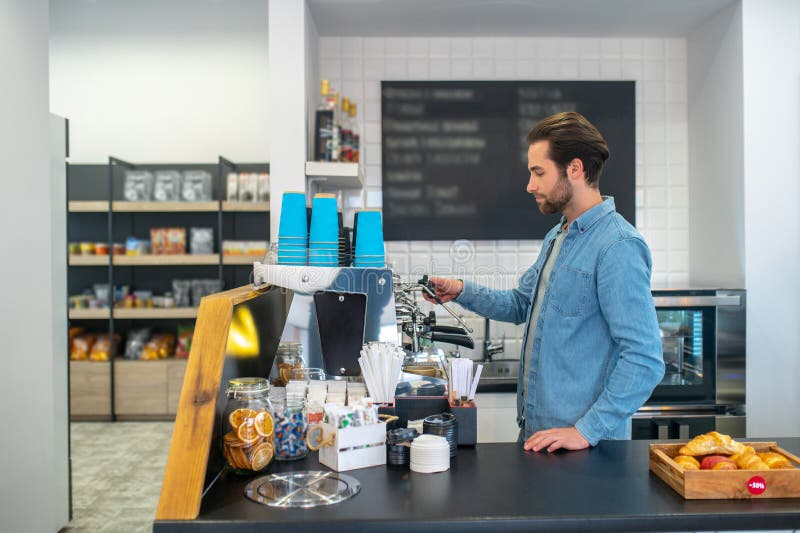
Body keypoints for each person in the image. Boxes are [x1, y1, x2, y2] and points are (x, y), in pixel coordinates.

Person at [425, 112, 664, 453]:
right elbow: (520, 304)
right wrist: (461, 290)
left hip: (589, 452)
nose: (530, 185)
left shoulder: (618, 246)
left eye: (539, 173)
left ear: (575, 169)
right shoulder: (558, 235)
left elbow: (645, 359)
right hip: (542, 438)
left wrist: (585, 431)